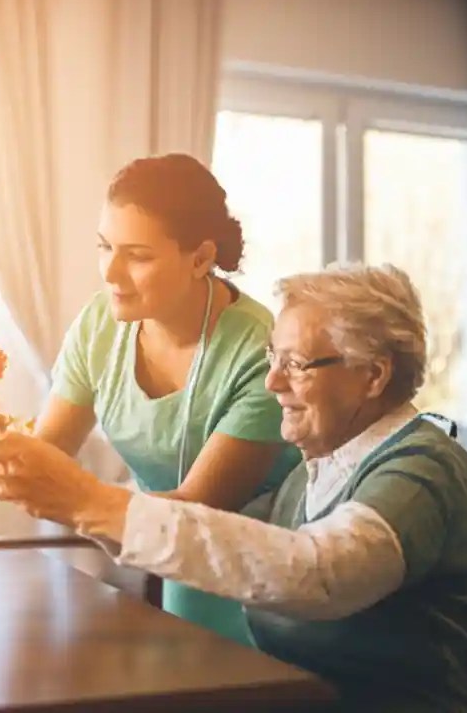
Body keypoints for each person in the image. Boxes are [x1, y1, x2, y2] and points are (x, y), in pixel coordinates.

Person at [0, 263, 467, 713]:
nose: (272, 383)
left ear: (374, 376)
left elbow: (319, 573)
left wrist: (92, 503)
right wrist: (77, 506)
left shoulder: (422, 468)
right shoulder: (309, 474)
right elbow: (225, 539)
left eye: (294, 364)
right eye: (273, 359)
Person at [31, 153, 302, 645]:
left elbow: (195, 511)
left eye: (137, 255)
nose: (111, 273)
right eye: (104, 246)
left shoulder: (261, 350)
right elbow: (44, 455)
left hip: (261, 575)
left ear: (200, 258)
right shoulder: (98, 325)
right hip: (170, 559)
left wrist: (66, 493)